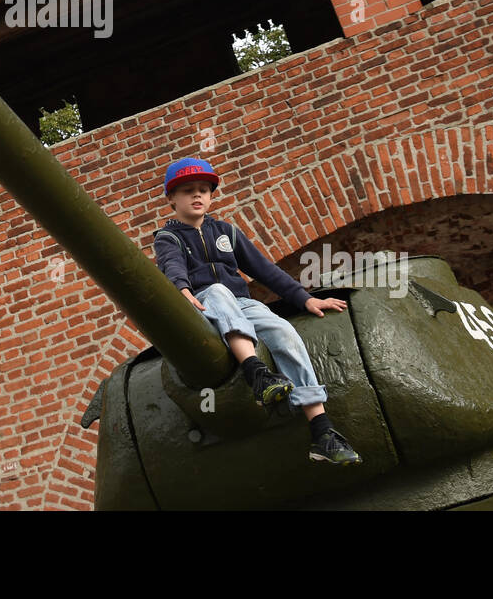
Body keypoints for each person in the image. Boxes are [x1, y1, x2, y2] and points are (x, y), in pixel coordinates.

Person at [152, 156, 361, 465]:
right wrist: (182, 290)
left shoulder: (226, 232)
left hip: (241, 304)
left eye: (203, 190)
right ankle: (257, 373)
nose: (197, 196)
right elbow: (171, 266)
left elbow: (265, 270)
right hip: (201, 306)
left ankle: (322, 431)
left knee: (283, 332)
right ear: (172, 198)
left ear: (210, 195)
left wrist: (304, 299)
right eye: (187, 191)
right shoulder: (167, 237)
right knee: (219, 292)